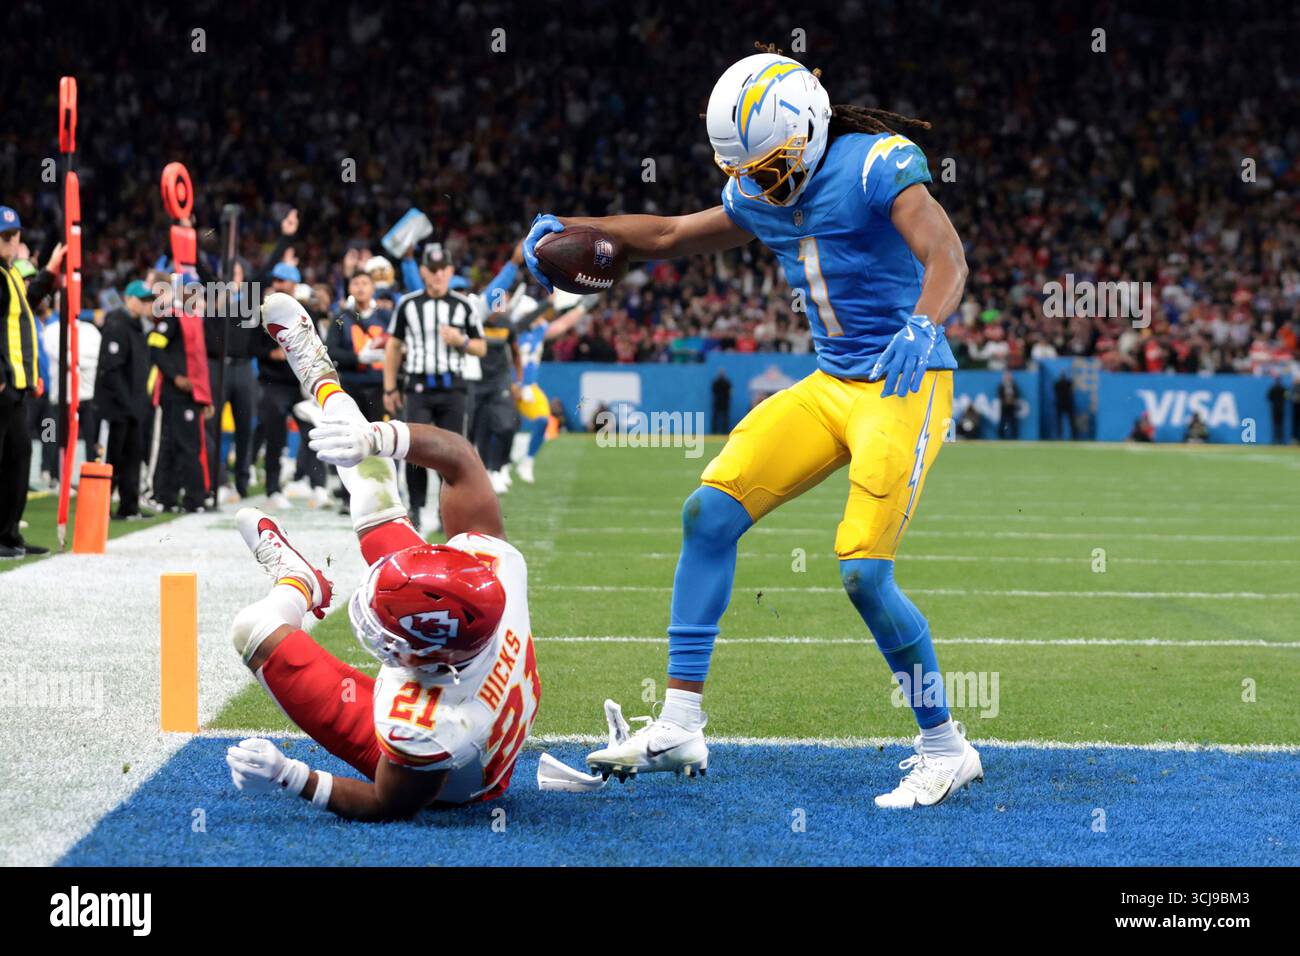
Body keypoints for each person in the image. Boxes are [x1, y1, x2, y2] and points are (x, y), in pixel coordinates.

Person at [520, 47, 980, 807]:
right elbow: (667, 234)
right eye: (748, 172)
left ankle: (947, 746)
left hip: (906, 379)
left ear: (809, 129)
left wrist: (925, 324)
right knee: (708, 513)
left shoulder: (874, 164)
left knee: (864, 573)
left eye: (769, 168)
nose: (760, 186)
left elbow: (947, 254)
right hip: (834, 383)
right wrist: (575, 226)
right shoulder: (762, 188)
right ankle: (679, 723)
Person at [224, 292, 539, 820]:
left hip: (445, 781)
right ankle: (319, 372)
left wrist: (290, 776)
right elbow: (462, 458)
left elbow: (387, 802)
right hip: (458, 681)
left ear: (420, 657)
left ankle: (296, 584)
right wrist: (377, 436)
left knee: (250, 629)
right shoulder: (489, 571)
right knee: (369, 477)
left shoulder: (425, 730)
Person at [383, 241, 487, 531]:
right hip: (418, 386)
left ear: (450, 271)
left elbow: (481, 347)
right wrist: (389, 388)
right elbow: (393, 346)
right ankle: (416, 508)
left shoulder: (463, 305)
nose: (438, 274)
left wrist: (461, 341)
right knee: (414, 449)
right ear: (423, 272)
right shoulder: (408, 304)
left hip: (453, 387)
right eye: (432, 268)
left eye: (443, 268)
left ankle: (447, 511)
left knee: (452, 452)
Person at [0, 205, 63, 558]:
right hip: (5, 386)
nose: (12, 242)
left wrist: (50, 271)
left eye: (15, 235)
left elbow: (26, 303)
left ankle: (9, 535)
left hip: (17, 388)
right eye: (5, 236)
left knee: (18, 460)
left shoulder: (9, 274)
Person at [148, 280, 214, 513]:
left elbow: (200, 364)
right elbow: (154, 347)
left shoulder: (193, 320)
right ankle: (193, 498)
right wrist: (175, 376)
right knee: (185, 446)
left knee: (175, 445)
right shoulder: (172, 318)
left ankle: (168, 497)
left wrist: (206, 397)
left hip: (190, 394)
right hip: (176, 393)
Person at [97, 281, 157, 519]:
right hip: (117, 408)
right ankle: (100, 508)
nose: (146, 304)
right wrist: (127, 402)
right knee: (112, 459)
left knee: (133, 457)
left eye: (148, 300)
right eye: (142, 300)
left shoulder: (138, 327)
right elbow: (110, 370)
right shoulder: (117, 325)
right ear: (128, 299)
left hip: (134, 406)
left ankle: (129, 506)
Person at [40, 307, 101, 473]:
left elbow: (95, 357)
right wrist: (77, 360)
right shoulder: (52, 330)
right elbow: (61, 356)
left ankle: (91, 474)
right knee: (51, 435)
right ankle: (50, 472)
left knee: (92, 438)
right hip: (57, 397)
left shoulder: (90, 330)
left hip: (87, 396)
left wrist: (74, 360)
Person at [997, 370, 1020, 440]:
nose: (1008, 378)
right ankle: (1001, 437)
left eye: (1009, 376)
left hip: (1012, 407)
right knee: (1002, 422)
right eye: (1006, 376)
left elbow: (1017, 394)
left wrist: (1012, 400)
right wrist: (1005, 401)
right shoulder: (1001, 385)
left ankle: (1014, 437)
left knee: (1013, 423)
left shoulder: (1014, 385)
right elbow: (999, 395)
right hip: (1004, 407)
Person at [1053, 372, 1076, 440]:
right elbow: (1071, 384)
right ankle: (1071, 436)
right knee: (1062, 421)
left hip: (1063, 404)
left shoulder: (1058, 384)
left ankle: (1061, 435)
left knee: (1061, 421)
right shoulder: (1067, 383)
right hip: (1066, 404)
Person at [1266, 372, 1286, 444]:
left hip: (1275, 408)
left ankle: (1275, 439)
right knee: (1280, 424)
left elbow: (1269, 397)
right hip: (1281, 408)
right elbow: (1286, 397)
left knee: (1275, 424)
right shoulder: (1283, 388)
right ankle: (1280, 439)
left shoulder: (1273, 388)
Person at [711, 369, 732, 435]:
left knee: (724, 417)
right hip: (719, 402)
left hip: (723, 402)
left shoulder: (726, 382)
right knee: (717, 417)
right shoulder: (717, 382)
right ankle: (715, 431)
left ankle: (724, 430)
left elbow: (729, 392)